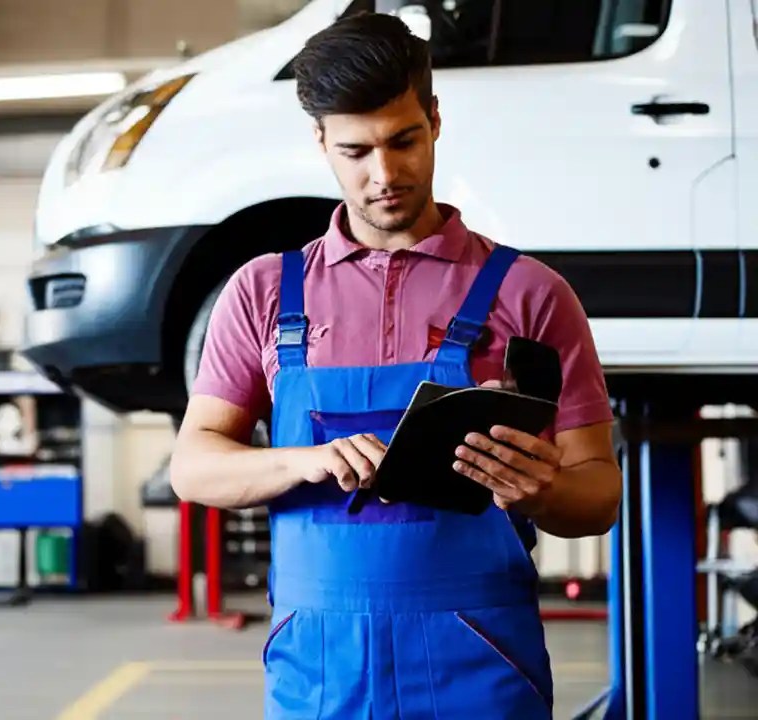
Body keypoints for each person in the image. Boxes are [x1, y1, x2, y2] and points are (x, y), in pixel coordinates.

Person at [169, 11, 622, 720]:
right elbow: (194, 466)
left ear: (435, 119)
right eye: (356, 150)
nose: (385, 174)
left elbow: (599, 495)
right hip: (319, 667)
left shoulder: (529, 294)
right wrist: (305, 461)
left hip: (479, 659)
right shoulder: (263, 292)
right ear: (320, 141)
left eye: (403, 140)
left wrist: (540, 493)